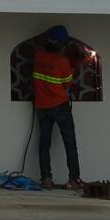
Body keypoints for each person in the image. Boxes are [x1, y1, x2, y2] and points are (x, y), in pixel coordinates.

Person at [33, 25, 83, 190]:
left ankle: (46, 179)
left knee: (44, 143)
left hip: (41, 106)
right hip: (60, 106)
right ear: (62, 44)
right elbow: (67, 83)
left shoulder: (38, 57)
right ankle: (74, 179)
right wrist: (74, 65)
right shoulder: (62, 62)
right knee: (70, 143)